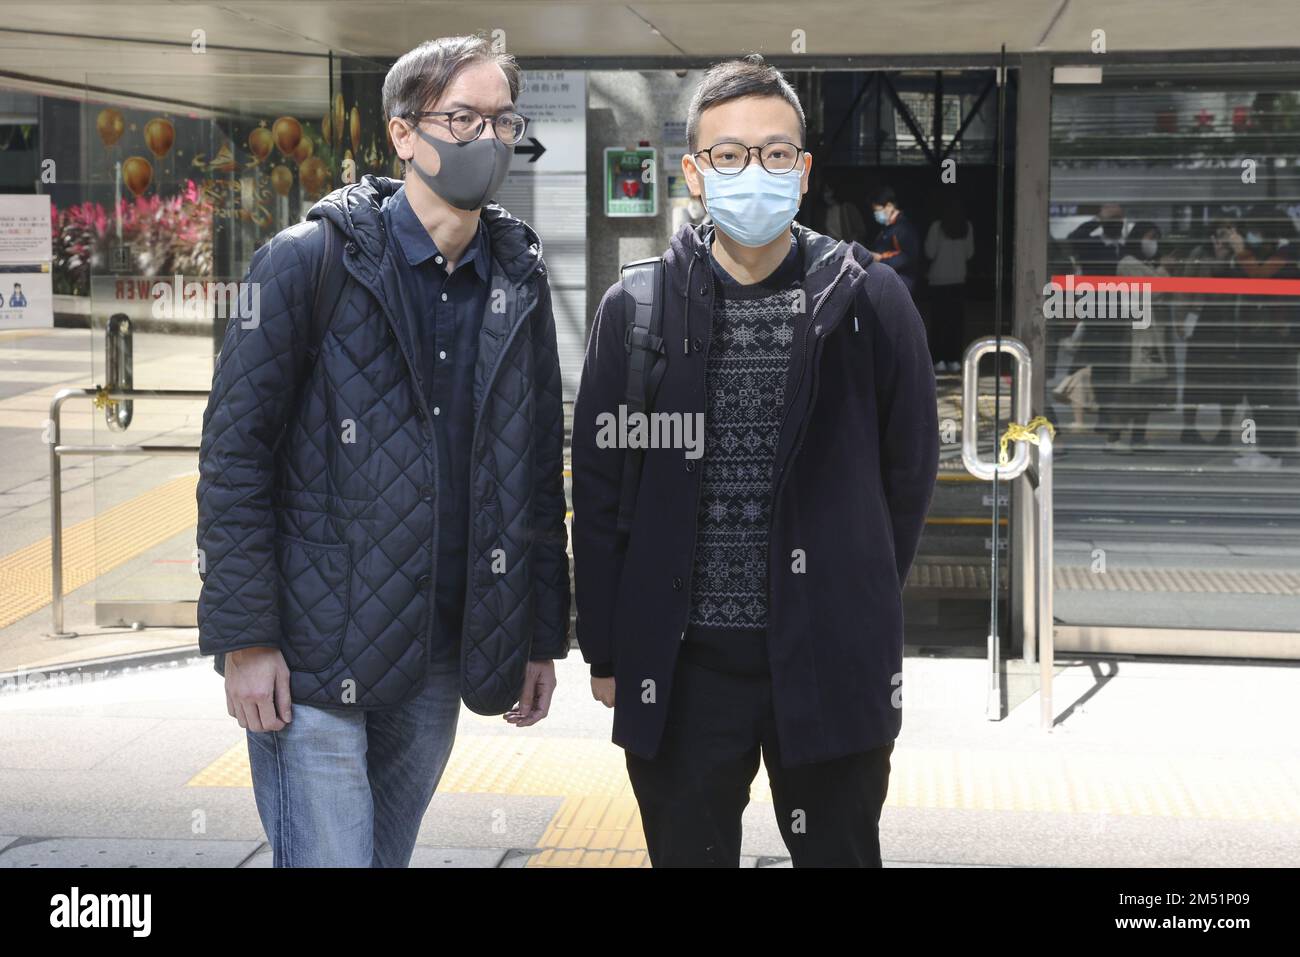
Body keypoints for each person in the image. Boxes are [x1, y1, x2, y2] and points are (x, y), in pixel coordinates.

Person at [195, 35, 570, 867]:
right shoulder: (304, 261)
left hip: (438, 648)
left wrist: (541, 632)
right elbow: (234, 455)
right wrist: (245, 637)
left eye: (502, 122)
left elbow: (536, 470)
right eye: (461, 118)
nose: (485, 140)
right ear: (403, 134)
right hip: (310, 651)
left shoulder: (519, 279)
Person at [571, 55, 939, 868]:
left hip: (829, 661)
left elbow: (907, 474)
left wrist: (856, 588)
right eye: (729, 156)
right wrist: (605, 649)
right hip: (685, 667)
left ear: (803, 172)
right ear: (694, 174)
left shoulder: (868, 301)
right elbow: (598, 492)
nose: (753, 172)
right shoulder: (637, 307)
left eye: (775, 154)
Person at [1224, 213, 1300, 468]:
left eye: (1254, 231)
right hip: (1256, 336)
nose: (1250, 237)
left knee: (1273, 395)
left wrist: (1242, 252)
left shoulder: (1289, 252)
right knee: (1259, 395)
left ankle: (1275, 452)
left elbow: (1261, 276)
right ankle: (1267, 449)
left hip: (1277, 338)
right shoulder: (1268, 254)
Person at [1102, 221, 1172, 452]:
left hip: (1152, 333)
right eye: (1150, 236)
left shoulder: (1144, 263)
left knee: (1147, 387)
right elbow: (1156, 289)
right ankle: (1113, 438)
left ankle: (1138, 437)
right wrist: (1163, 271)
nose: (1154, 242)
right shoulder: (1128, 263)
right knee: (1129, 388)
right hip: (1137, 335)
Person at [1176, 222, 1240, 446]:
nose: (1227, 236)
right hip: (1201, 319)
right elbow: (1186, 287)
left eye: (1230, 232)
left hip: (1228, 321)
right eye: (1223, 232)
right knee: (1195, 378)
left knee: (1228, 380)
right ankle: (1189, 428)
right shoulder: (1199, 253)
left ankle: (1225, 430)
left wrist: (1228, 253)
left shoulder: (1238, 255)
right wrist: (1180, 318)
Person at [923, 196, 974, 373]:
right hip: (959, 279)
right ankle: (954, 359)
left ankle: (938, 359)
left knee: (939, 323)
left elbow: (930, 252)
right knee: (956, 323)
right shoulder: (966, 226)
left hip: (939, 280)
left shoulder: (937, 227)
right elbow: (969, 253)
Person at [868, 186, 922, 296]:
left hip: (901, 284)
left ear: (889, 206)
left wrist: (879, 259)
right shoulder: (888, 228)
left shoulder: (903, 228)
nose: (875, 214)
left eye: (877, 210)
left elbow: (908, 256)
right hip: (890, 283)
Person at [820, 181, 866, 245]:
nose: (825, 195)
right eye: (823, 192)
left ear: (834, 191)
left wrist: (850, 242)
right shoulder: (823, 211)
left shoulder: (848, 208)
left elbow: (861, 231)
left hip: (847, 248)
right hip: (830, 248)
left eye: (827, 191)